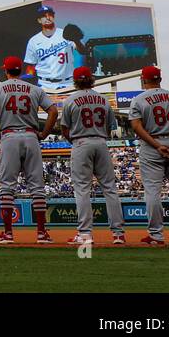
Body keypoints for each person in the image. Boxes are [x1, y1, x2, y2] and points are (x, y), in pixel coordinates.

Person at [0, 57, 57, 245]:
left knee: (8, 186)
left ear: (6, 71)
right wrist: (44, 133)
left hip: (8, 136)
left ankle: (8, 234)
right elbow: (54, 111)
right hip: (31, 136)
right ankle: (41, 233)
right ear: (21, 70)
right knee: (37, 186)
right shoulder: (35, 89)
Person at [57, 66, 125, 246]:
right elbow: (112, 126)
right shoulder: (103, 100)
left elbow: (64, 128)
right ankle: (118, 234)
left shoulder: (70, 100)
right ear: (92, 80)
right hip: (101, 142)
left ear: (75, 81)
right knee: (109, 188)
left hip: (80, 142)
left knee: (82, 190)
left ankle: (85, 234)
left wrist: (76, 141)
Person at [127, 65, 169, 246]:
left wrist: (157, 146)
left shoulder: (139, 100)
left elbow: (136, 126)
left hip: (152, 146)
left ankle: (156, 235)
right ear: (160, 79)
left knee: (153, 192)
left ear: (144, 80)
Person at [23, 4, 77, 87]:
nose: (48, 18)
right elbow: (31, 65)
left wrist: (77, 40)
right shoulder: (34, 40)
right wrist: (28, 77)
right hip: (44, 84)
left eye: (50, 15)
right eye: (44, 16)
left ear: (54, 17)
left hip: (67, 83)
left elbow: (83, 51)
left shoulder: (66, 33)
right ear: (39, 20)